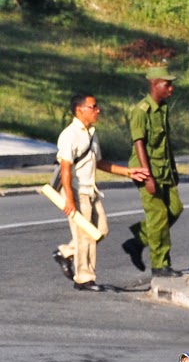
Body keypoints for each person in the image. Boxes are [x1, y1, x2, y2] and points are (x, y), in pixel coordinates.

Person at [53, 93, 149, 292]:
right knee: (84, 236)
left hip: (91, 191)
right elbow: (65, 170)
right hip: (77, 192)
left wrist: (129, 171)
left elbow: (100, 163)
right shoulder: (69, 135)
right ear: (80, 110)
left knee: (101, 231)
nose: (98, 110)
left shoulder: (91, 133)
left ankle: (65, 253)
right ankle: (84, 279)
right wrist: (69, 201)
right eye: (93, 107)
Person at [125, 66, 184, 277]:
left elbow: (166, 143)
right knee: (158, 215)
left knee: (175, 209)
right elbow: (139, 144)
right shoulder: (141, 111)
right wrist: (147, 176)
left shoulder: (164, 108)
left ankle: (138, 240)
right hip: (146, 170)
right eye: (166, 84)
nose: (171, 88)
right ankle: (160, 265)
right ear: (153, 84)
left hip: (164, 169)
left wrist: (174, 168)